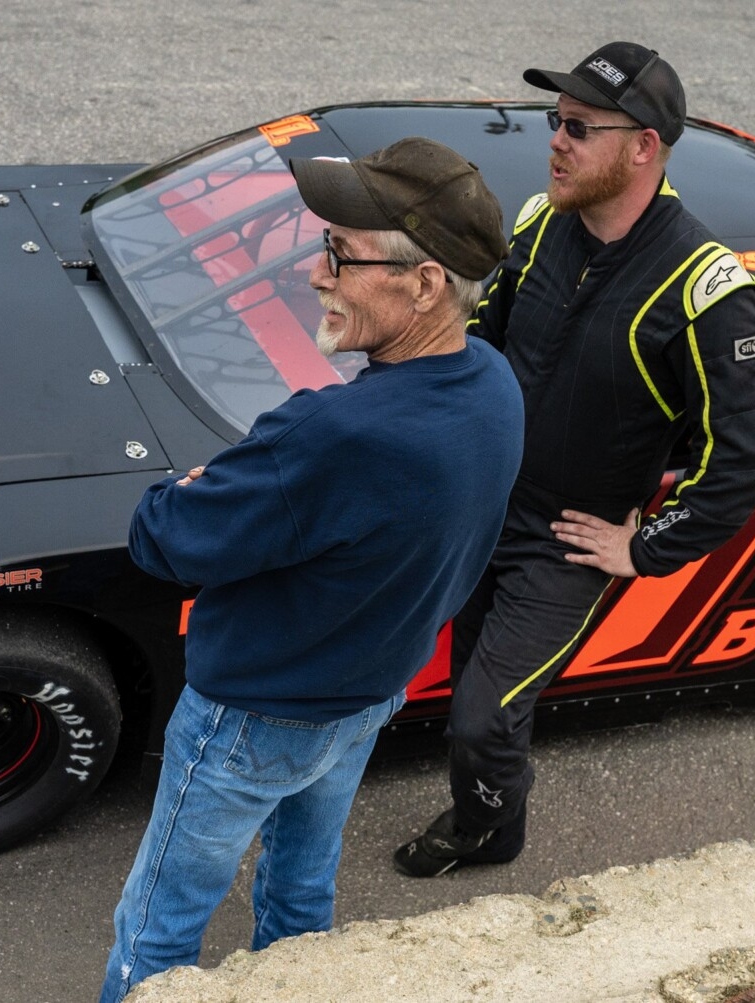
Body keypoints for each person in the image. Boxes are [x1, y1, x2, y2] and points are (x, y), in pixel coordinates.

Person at [100, 137, 524, 1002]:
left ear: (426, 283)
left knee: (158, 925)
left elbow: (163, 537)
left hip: (251, 717)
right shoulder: (494, 385)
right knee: (299, 899)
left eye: (339, 255)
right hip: (368, 698)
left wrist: (186, 490)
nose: (316, 275)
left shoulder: (333, 433)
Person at [392, 42, 755, 878]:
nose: (555, 141)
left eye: (578, 127)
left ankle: (486, 830)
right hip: (485, 502)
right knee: (465, 676)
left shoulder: (707, 288)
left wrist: (642, 550)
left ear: (644, 147)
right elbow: (475, 350)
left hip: (568, 541)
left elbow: (738, 466)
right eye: (553, 122)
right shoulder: (538, 222)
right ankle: (488, 803)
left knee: (483, 715)